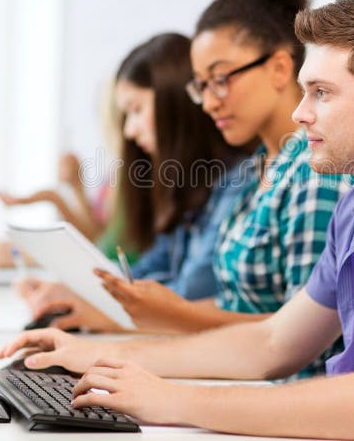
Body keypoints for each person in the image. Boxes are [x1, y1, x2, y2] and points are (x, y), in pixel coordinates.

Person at [0, 0, 354, 440]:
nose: (299, 114)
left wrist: (170, 399)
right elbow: (274, 343)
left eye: (321, 92)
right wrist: (104, 356)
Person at [77, 0, 353, 360]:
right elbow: (240, 307)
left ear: (278, 68)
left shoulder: (315, 173)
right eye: (201, 85)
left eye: (221, 79)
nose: (209, 102)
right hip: (239, 371)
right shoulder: (260, 167)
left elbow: (305, 339)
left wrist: (176, 315)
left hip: (282, 392)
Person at [17, 32, 252, 332]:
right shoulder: (191, 189)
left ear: (175, 106)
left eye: (136, 110)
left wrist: (102, 310)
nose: (129, 131)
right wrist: (80, 293)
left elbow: (190, 292)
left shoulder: (236, 184)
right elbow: (147, 271)